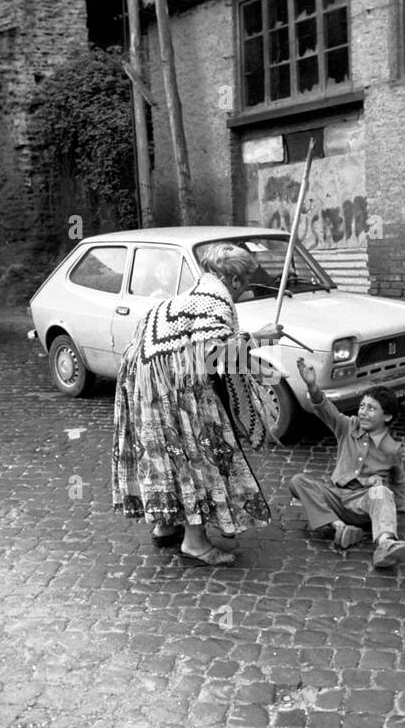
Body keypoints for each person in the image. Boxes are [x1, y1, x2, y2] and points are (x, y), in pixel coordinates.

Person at [112, 242, 284, 566]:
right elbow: (213, 356)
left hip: (144, 377)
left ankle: (166, 525)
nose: (244, 291)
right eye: (245, 284)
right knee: (197, 452)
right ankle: (195, 543)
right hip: (170, 384)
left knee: (163, 450)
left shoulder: (199, 290)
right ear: (234, 280)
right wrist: (260, 338)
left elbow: (204, 341)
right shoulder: (215, 298)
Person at [288, 359, 405, 570]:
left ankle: (385, 544)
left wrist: (402, 504)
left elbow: (398, 480)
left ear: (387, 416)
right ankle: (341, 528)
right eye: (362, 406)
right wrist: (312, 385)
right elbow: (325, 409)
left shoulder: (392, 448)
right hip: (337, 498)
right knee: (298, 481)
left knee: (382, 493)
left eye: (371, 409)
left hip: (364, 504)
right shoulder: (346, 427)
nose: (363, 412)